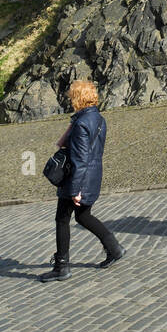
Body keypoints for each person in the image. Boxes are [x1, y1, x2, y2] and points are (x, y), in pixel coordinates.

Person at [40, 80, 123, 282]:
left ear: (78, 98)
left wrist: (76, 190)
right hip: (93, 175)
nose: (69, 100)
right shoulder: (99, 119)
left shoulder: (81, 123)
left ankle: (62, 266)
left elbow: (80, 158)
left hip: (78, 178)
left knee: (62, 219)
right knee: (84, 216)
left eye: (71, 96)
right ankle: (114, 248)